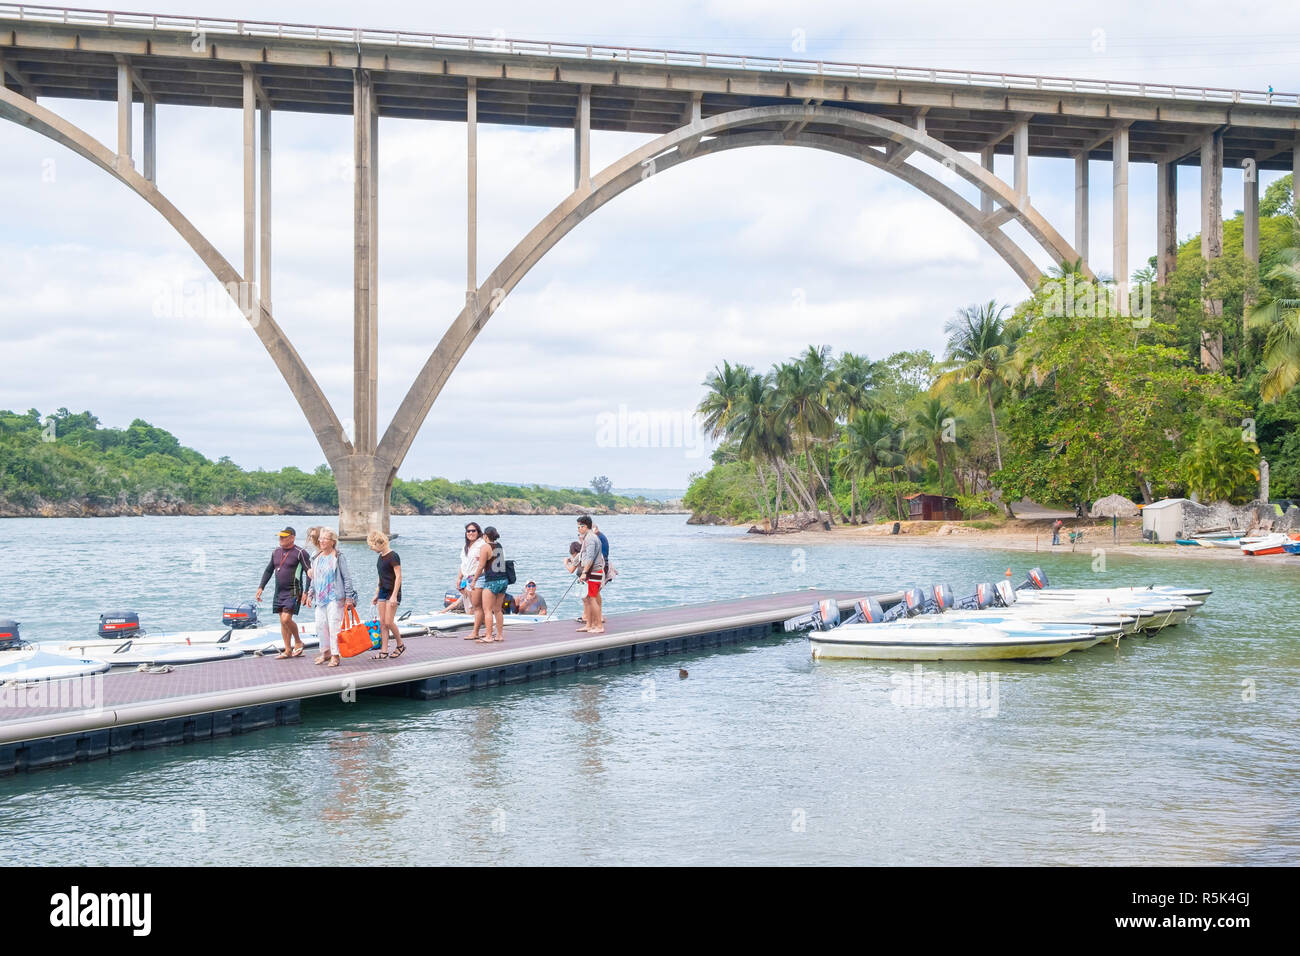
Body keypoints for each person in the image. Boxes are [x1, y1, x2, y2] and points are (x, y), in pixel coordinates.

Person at [255, 526, 313, 659]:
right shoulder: (276, 552)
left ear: (292, 538)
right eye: (280, 537)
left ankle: (298, 641)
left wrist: (306, 592)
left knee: (286, 619)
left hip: (294, 591)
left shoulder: (300, 552)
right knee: (283, 622)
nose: (280, 539)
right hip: (279, 591)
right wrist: (261, 587)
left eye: (284, 537)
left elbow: (309, 573)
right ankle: (287, 650)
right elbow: (269, 570)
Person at [309, 527, 357, 668]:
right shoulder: (316, 557)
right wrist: (310, 592)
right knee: (320, 626)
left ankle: (335, 656)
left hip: (335, 598)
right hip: (320, 598)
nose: (321, 541)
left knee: (334, 627)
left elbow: (347, 578)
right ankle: (325, 652)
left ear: (332, 541)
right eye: (320, 538)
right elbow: (315, 578)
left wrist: (349, 598)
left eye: (324, 539)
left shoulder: (338, 557)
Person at [368, 530, 406, 659]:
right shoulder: (380, 557)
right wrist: (376, 593)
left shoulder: (393, 556)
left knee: (389, 622)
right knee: (383, 623)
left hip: (392, 592)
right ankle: (384, 651)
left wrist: (395, 595)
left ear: (379, 543)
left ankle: (400, 645)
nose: (371, 548)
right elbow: (381, 576)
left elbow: (399, 576)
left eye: (372, 545)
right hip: (383, 592)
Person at [455, 522, 491, 640]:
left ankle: (476, 632)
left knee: (477, 607)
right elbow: (464, 564)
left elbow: (488, 559)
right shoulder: (466, 546)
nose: (470, 533)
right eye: (468, 531)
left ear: (478, 532)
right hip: (468, 578)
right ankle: (481, 631)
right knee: (475, 607)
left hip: (478, 578)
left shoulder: (482, 545)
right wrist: (459, 578)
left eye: (473, 531)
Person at [476, 526, 509, 644]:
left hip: (492, 581)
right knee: (498, 609)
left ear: (485, 536)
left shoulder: (485, 547)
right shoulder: (499, 545)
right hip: (503, 580)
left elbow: (480, 566)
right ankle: (499, 635)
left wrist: (475, 580)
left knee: (487, 610)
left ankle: (488, 636)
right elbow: (494, 559)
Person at [576, 515, 605, 634]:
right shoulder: (588, 537)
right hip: (590, 572)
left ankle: (599, 626)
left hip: (593, 572)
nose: (578, 529)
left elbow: (590, 557)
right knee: (588, 598)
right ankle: (589, 624)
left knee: (592, 599)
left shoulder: (591, 539)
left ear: (585, 526)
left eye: (580, 527)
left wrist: (584, 572)